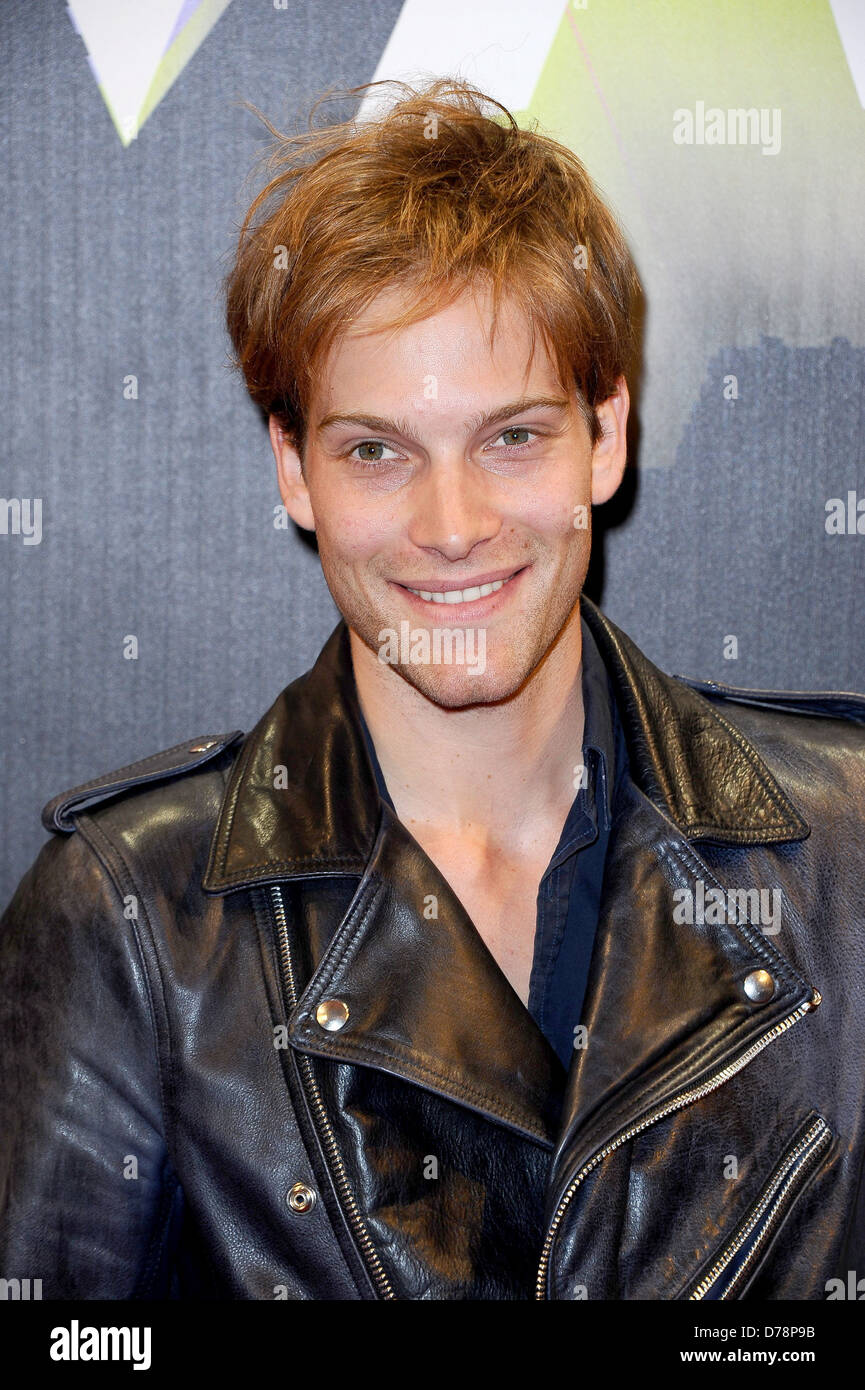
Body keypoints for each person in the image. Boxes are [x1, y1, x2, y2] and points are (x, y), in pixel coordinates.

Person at [2, 77, 864, 1302]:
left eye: (512, 436)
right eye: (375, 451)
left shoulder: (845, 847)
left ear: (605, 435)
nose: (452, 526)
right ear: (293, 470)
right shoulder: (131, 918)